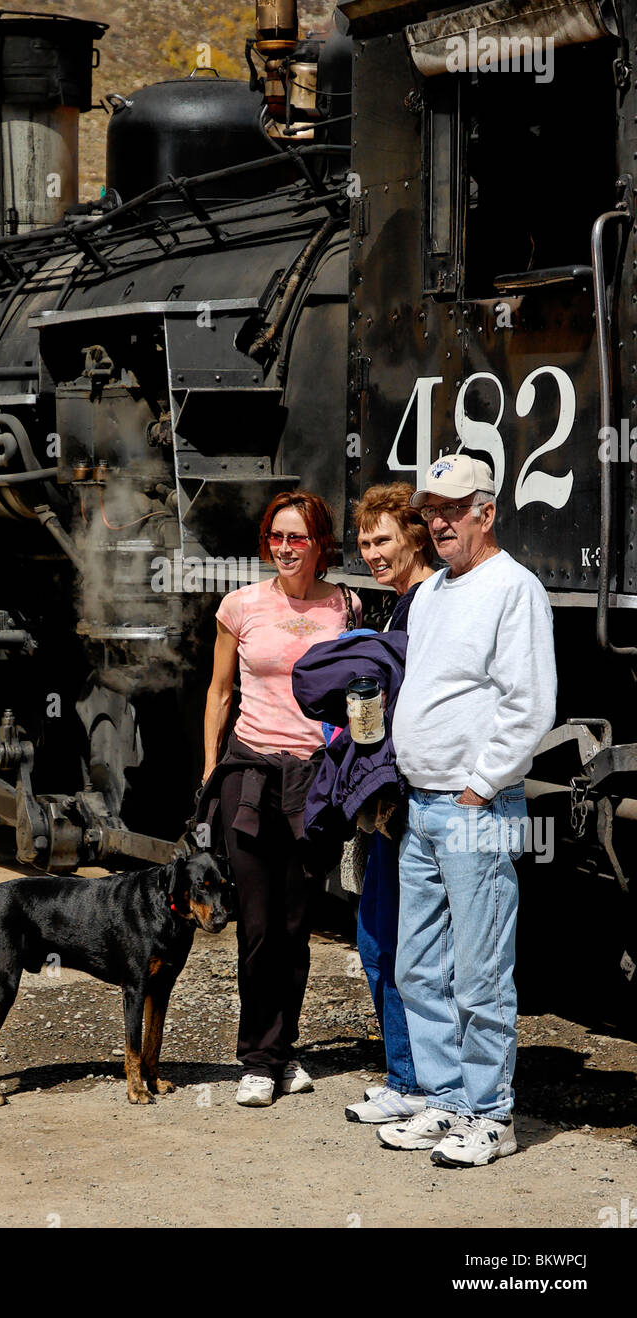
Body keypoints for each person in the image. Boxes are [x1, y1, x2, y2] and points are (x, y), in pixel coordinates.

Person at [379, 453, 556, 1166]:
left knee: (480, 973)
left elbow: (530, 704)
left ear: (487, 512)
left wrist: (480, 785)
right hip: (422, 807)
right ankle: (446, 1099)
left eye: (454, 508)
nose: (439, 521)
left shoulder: (515, 589)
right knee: (418, 969)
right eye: (431, 509)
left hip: (472, 809)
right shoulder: (432, 593)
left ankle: (490, 1115)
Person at [201, 489, 361, 1107]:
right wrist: (210, 772)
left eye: (298, 537)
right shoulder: (240, 606)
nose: (286, 548)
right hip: (249, 773)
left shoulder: (345, 606)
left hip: (313, 780)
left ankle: (283, 1050)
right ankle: (258, 1060)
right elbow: (218, 693)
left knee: (297, 926)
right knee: (259, 925)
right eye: (276, 537)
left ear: (320, 544)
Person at [342, 481, 436, 1125]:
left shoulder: (431, 602)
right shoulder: (402, 605)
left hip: (412, 804)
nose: (372, 552)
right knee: (377, 942)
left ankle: (421, 1083)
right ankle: (405, 1075)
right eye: (365, 541)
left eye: (384, 539)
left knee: (406, 949)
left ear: (414, 536)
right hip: (387, 804)